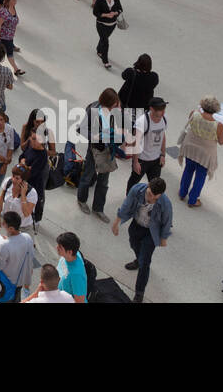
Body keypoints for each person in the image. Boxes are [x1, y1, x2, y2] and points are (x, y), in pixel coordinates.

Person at [110, 177, 173, 303]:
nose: (151, 199)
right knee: (133, 244)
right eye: (149, 194)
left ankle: (139, 293)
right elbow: (126, 205)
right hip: (137, 225)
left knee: (145, 263)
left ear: (160, 195)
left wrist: (164, 237)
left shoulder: (165, 203)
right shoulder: (136, 190)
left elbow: (167, 220)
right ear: (148, 186)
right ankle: (139, 260)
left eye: (155, 198)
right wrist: (116, 222)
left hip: (151, 232)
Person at [176, 95, 223, 207]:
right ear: (216, 109)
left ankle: (182, 193)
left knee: (188, 170)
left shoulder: (194, 113)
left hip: (190, 149)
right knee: (200, 177)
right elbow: (221, 141)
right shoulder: (218, 125)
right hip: (205, 155)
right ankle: (192, 200)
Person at [76, 87, 122, 220]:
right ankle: (81, 200)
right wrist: (97, 137)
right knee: (88, 175)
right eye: (114, 104)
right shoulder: (93, 110)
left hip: (108, 149)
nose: (116, 106)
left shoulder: (115, 109)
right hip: (95, 148)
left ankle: (98, 208)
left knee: (104, 180)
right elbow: (81, 129)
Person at [18, 108, 55, 226]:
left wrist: (41, 149)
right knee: (24, 188)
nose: (39, 124)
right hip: (28, 160)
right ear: (32, 121)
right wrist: (30, 141)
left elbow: (53, 152)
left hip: (40, 165)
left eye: (41, 122)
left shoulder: (48, 132)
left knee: (39, 192)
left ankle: (37, 217)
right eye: (36, 122)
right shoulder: (27, 129)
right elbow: (22, 148)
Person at [127, 97, 169, 192]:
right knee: (133, 183)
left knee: (155, 186)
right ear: (152, 109)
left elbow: (163, 136)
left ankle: (150, 204)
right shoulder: (142, 122)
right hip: (142, 159)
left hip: (156, 160)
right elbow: (135, 143)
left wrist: (163, 154)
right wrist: (135, 162)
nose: (163, 112)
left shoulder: (164, 119)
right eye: (160, 110)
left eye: (163, 109)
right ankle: (129, 200)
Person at [93, 0, 122, 69]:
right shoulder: (99, 0)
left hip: (112, 25)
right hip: (101, 24)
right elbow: (95, 13)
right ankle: (105, 61)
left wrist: (115, 13)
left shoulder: (116, 0)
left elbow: (120, 9)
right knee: (105, 42)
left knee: (103, 39)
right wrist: (106, 15)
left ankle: (99, 49)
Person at [0, 0, 23, 75]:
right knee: (5, 54)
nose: (15, 2)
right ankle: (16, 69)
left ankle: (15, 70)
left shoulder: (13, 8)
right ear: (8, 0)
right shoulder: (3, 11)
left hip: (10, 37)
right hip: (3, 37)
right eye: (13, 0)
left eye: (15, 0)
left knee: (3, 54)